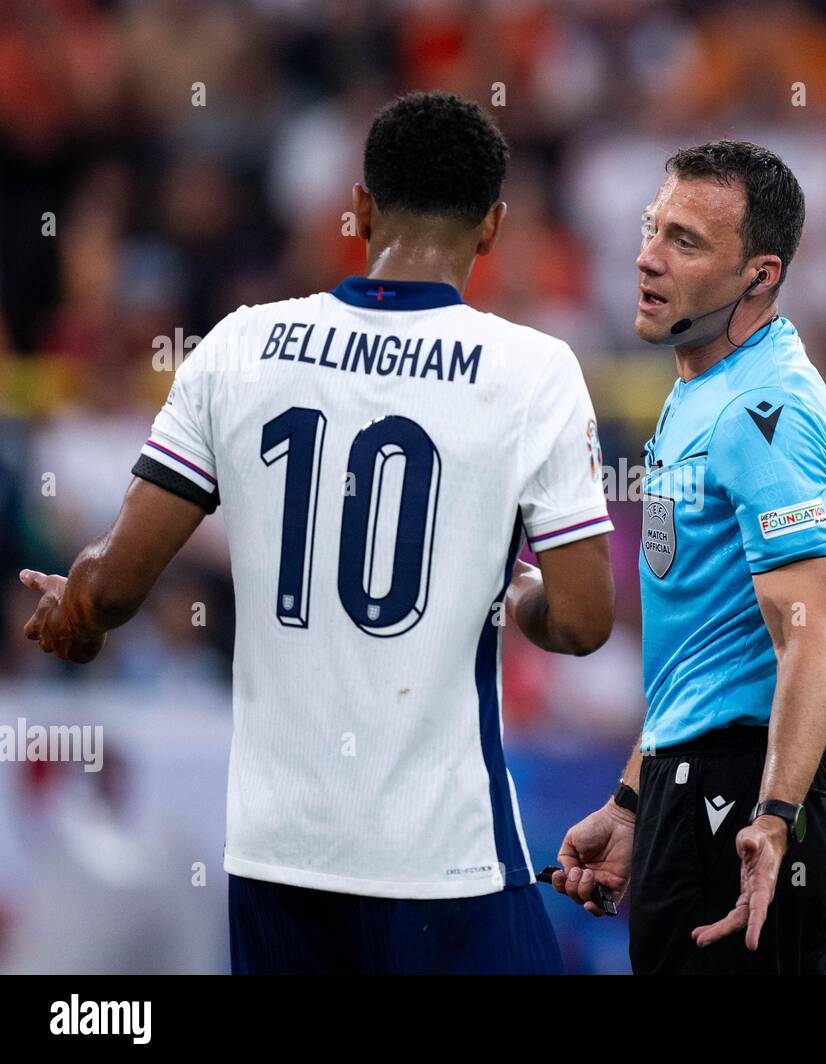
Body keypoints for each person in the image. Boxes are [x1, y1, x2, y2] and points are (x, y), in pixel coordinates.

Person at [18, 91, 616, 975]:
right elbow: (584, 621)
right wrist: (516, 590)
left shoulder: (239, 345)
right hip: (444, 861)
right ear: (492, 228)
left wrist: (76, 609)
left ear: (363, 207)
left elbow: (110, 585)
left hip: (276, 861)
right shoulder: (533, 370)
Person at [550, 140, 826, 974]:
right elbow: (700, 656)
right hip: (700, 786)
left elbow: (811, 639)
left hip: (745, 795)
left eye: (685, 242)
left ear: (759, 275)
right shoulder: (704, 393)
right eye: (653, 228)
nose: (647, 258)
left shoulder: (761, 414)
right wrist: (630, 802)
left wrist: (773, 817)